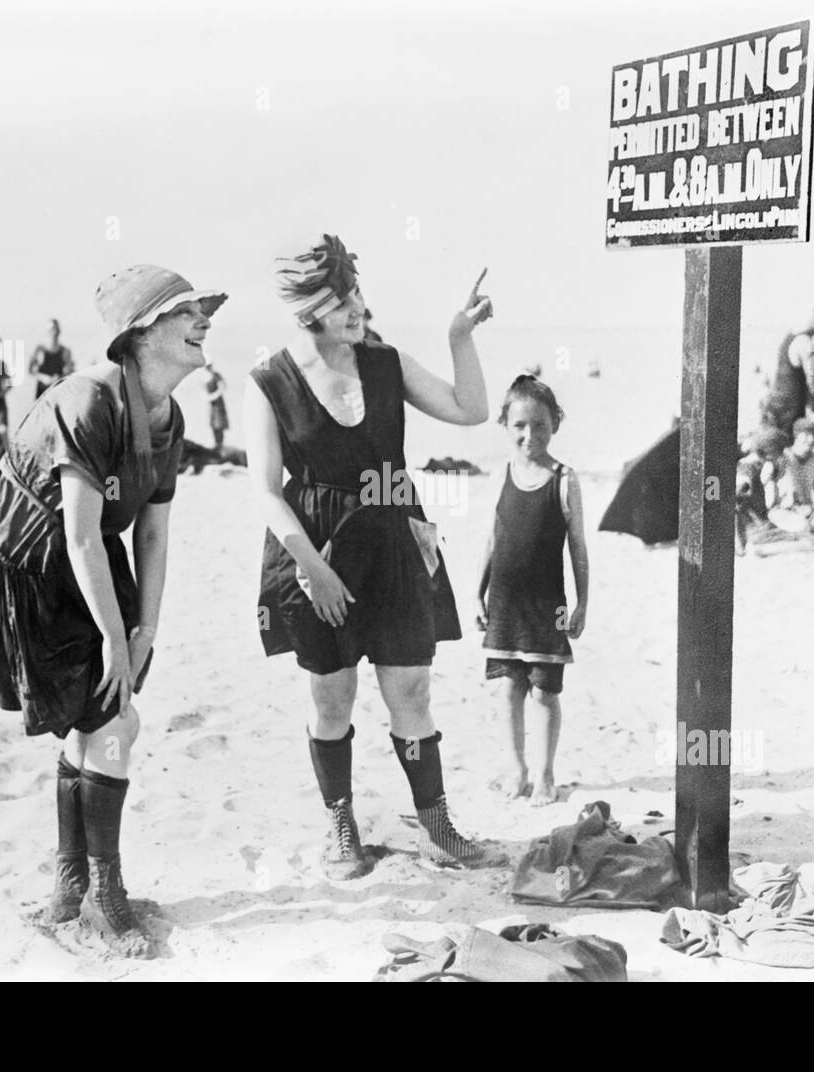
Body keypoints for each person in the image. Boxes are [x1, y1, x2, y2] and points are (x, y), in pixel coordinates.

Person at [0, 266, 225, 955]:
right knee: (112, 718)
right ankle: (101, 895)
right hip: (27, 563)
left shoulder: (170, 417)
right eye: (186, 314)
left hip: (89, 557)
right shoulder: (87, 400)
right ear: (139, 335)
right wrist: (113, 634)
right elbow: (75, 530)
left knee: (102, 716)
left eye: (204, 312)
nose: (204, 322)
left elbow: (155, 532)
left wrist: (144, 630)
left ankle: (71, 890)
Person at [244, 234, 501, 878]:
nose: (360, 307)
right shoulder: (269, 382)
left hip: (394, 537)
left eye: (357, 293)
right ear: (309, 310)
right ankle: (341, 827)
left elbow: (472, 410)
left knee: (410, 685)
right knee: (332, 698)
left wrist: (459, 337)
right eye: (344, 300)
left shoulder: (385, 363)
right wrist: (313, 567)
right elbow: (265, 492)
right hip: (318, 548)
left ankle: (438, 826)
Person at [477, 375, 588, 807]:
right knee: (508, 687)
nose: (530, 435)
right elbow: (491, 537)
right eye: (520, 425)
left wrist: (583, 603)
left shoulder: (564, 479)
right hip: (504, 600)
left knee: (545, 690)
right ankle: (516, 768)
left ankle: (544, 774)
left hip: (548, 604)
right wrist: (475, 593)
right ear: (505, 424)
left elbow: (577, 544)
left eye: (540, 425)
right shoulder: (500, 474)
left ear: (555, 424)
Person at [761, 303, 814, 436]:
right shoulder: (805, 342)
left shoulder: (790, 336)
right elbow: (813, 383)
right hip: (790, 409)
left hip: (775, 404)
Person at [778, 417, 814, 513]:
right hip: (783, 510)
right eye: (806, 435)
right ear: (796, 435)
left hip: (806, 509)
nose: (811, 439)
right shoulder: (783, 457)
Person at [29, 318, 74, 399]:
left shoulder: (65, 351)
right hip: (41, 395)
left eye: (55, 329)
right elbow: (31, 370)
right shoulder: (40, 350)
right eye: (51, 330)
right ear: (46, 332)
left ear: (59, 331)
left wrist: (59, 378)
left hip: (58, 395)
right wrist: (44, 378)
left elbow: (69, 372)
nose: (54, 333)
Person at [203, 362, 229, 448]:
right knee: (213, 424)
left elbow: (223, 386)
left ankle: (220, 444)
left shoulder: (216, 375)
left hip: (218, 404)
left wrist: (214, 396)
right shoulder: (204, 377)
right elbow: (203, 392)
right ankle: (216, 444)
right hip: (211, 405)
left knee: (219, 424)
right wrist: (208, 398)